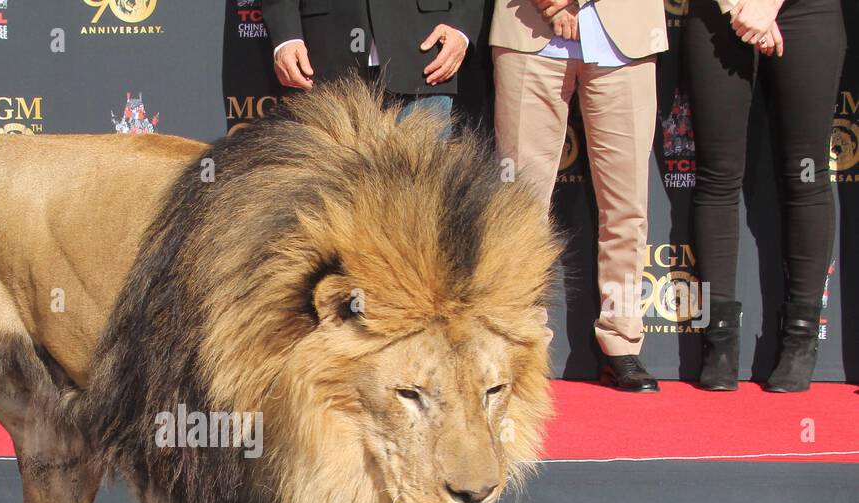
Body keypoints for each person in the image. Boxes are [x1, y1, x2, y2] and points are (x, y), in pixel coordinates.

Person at [490, 0, 668, 392]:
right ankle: (523, 343)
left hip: (625, 37)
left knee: (626, 206)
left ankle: (622, 338)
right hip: (528, 30)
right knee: (519, 209)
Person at [685, 0, 846, 392]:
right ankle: (718, 343)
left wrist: (767, 3)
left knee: (806, 174)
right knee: (717, 175)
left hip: (808, 10)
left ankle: (800, 342)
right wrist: (740, 7)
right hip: (719, 13)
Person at [260, 0, 484, 130]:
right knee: (329, 199)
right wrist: (286, 35)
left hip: (424, 56)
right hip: (327, 54)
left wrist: (461, 26)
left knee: (421, 197)